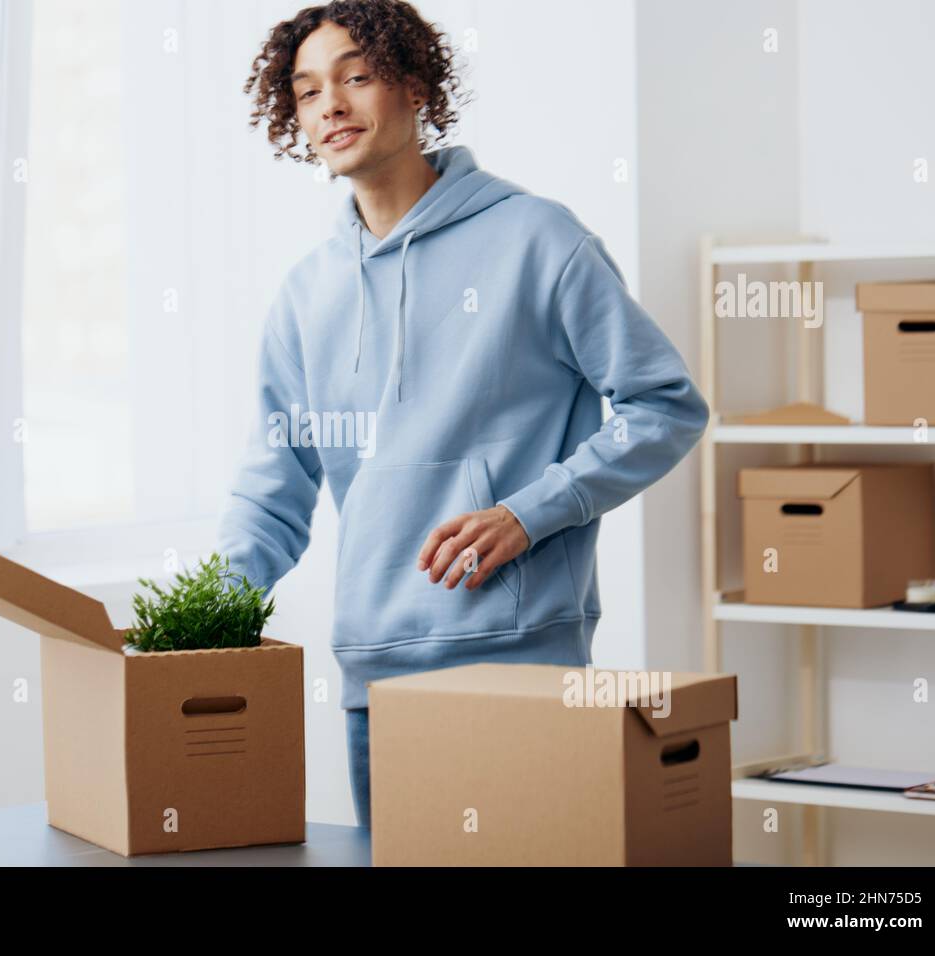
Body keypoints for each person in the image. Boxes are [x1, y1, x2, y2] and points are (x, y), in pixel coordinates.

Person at [219, 0, 710, 828]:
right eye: (306, 92)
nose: (330, 105)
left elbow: (664, 405)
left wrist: (528, 513)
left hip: (523, 666)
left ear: (413, 85)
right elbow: (276, 482)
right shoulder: (306, 294)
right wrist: (212, 611)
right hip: (377, 675)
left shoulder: (538, 240)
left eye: (356, 77)